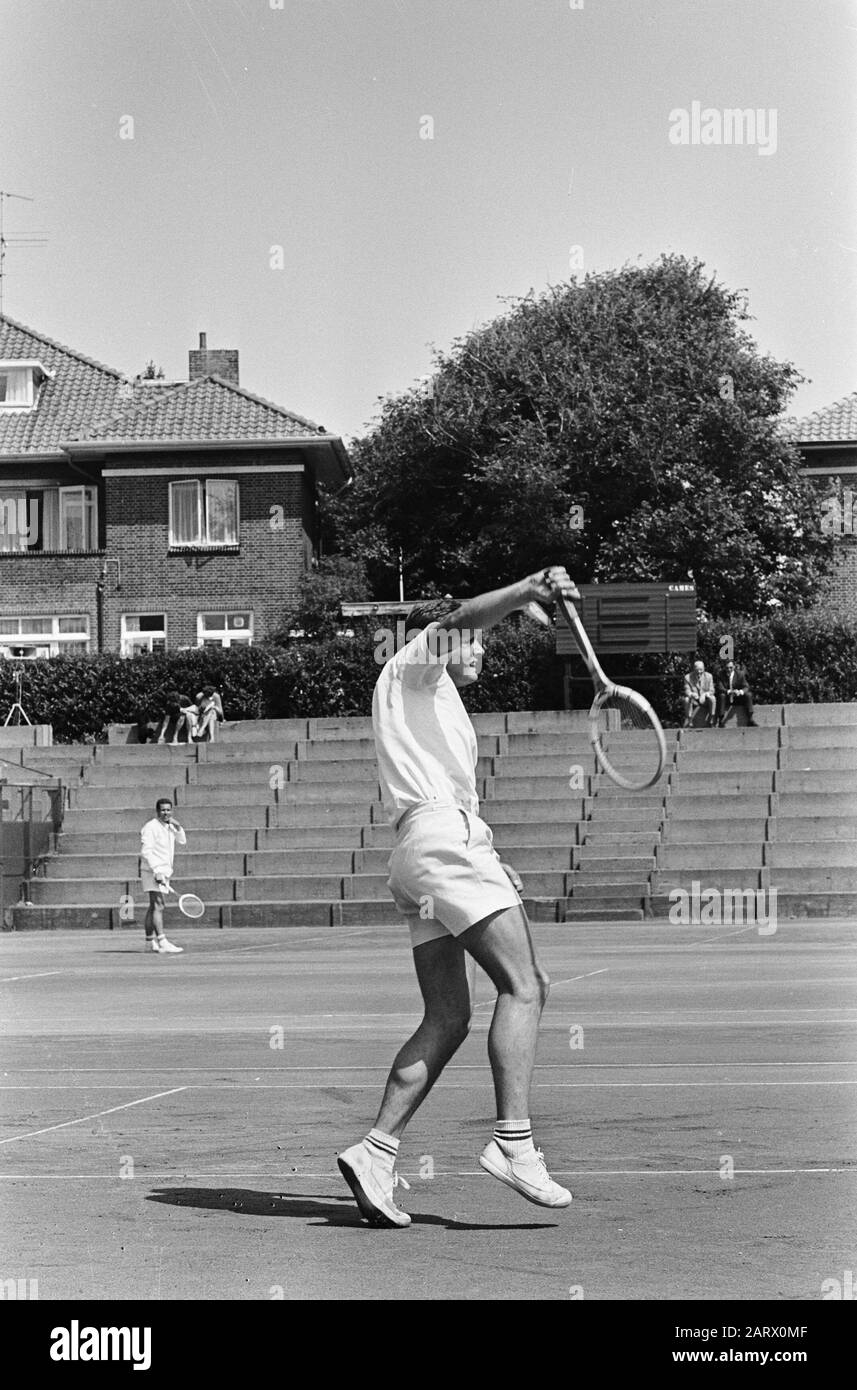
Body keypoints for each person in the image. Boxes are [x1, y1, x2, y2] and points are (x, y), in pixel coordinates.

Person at [337, 566, 578, 1228]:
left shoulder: (426, 696)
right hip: (445, 843)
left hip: (416, 857)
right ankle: (513, 1144)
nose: (481, 650)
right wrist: (527, 588)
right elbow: (459, 623)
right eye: (478, 642)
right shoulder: (415, 666)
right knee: (527, 985)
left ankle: (375, 1150)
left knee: (448, 1016)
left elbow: (467, 624)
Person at [140, 798, 186, 954]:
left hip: (164, 872)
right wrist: (156, 871)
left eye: (168, 810)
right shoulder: (150, 827)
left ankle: (149, 942)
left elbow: (182, 840)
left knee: (154, 906)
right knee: (159, 905)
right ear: (157, 811)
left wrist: (177, 825)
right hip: (153, 872)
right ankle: (162, 941)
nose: (166, 813)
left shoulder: (170, 827)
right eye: (163, 810)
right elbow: (146, 851)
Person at [716, 659, 757, 727]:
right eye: (727, 668)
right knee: (721, 695)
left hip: (738, 698)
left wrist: (740, 692)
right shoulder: (720, 674)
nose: (729, 669)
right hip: (727, 698)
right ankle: (721, 720)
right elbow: (720, 687)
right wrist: (729, 691)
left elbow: (746, 687)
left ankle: (750, 719)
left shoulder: (740, 674)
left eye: (731, 667)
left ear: (734, 667)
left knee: (748, 695)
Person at [683, 660, 716, 728]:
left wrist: (705, 694)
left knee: (713, 698)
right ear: (694, 669)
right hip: (694, 699)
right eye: (697, 670)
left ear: (704, 669)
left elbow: (712, 690)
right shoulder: (687, 677)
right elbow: (687, 691)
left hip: (705, 699)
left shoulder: (709, 676)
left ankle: (711, 720)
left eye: (701, 670)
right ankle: (690, 721)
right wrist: (691, 694)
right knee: (686, 699)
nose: (699, 672)